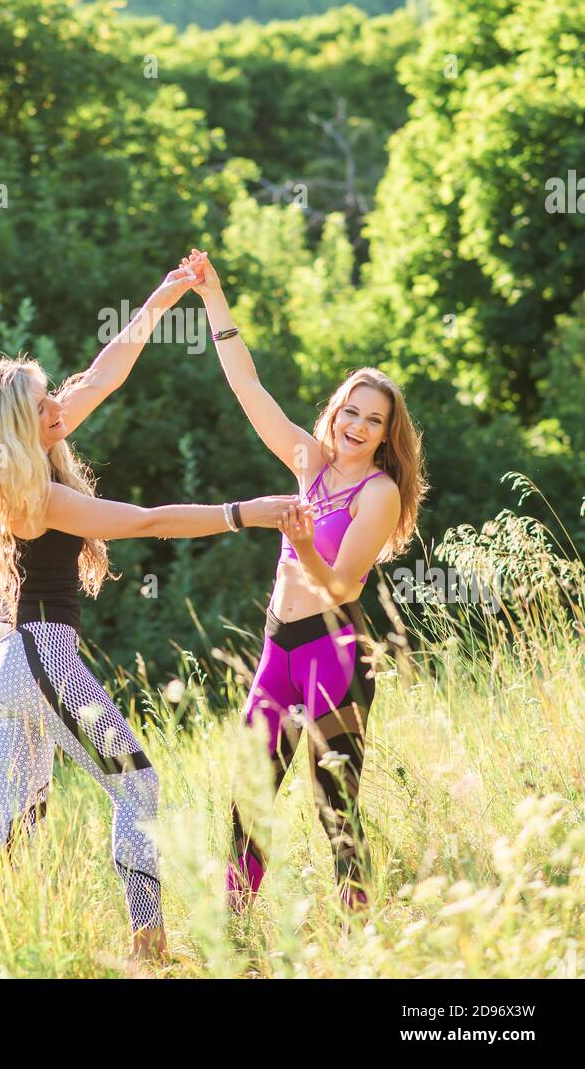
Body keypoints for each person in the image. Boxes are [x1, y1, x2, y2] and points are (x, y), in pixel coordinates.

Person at [0, 263, 297, 964]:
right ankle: (147, 950)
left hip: (5, 663)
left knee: (18, 820)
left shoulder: (15, 470)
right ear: (20, 421)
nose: (59, 410)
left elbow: (103, 376)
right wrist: (245, 514)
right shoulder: (38, 495)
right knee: (136, 783)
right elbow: (150, 521)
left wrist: (165, 296)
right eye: (46, 405)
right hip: (42, 655)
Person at [180, 247, 428, 911]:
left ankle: (358, 939)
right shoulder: (309, 464)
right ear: (335, 411)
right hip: (276, 652)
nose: (356, 425)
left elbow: (343, 586)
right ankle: (235, 928)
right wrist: (212, 298)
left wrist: (299, 546)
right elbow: (247, 387)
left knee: (334, 810)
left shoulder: (376, 493)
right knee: (249, 798)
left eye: (372, 420)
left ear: (384, 435)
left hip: (331, 653)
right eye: (350, 410)